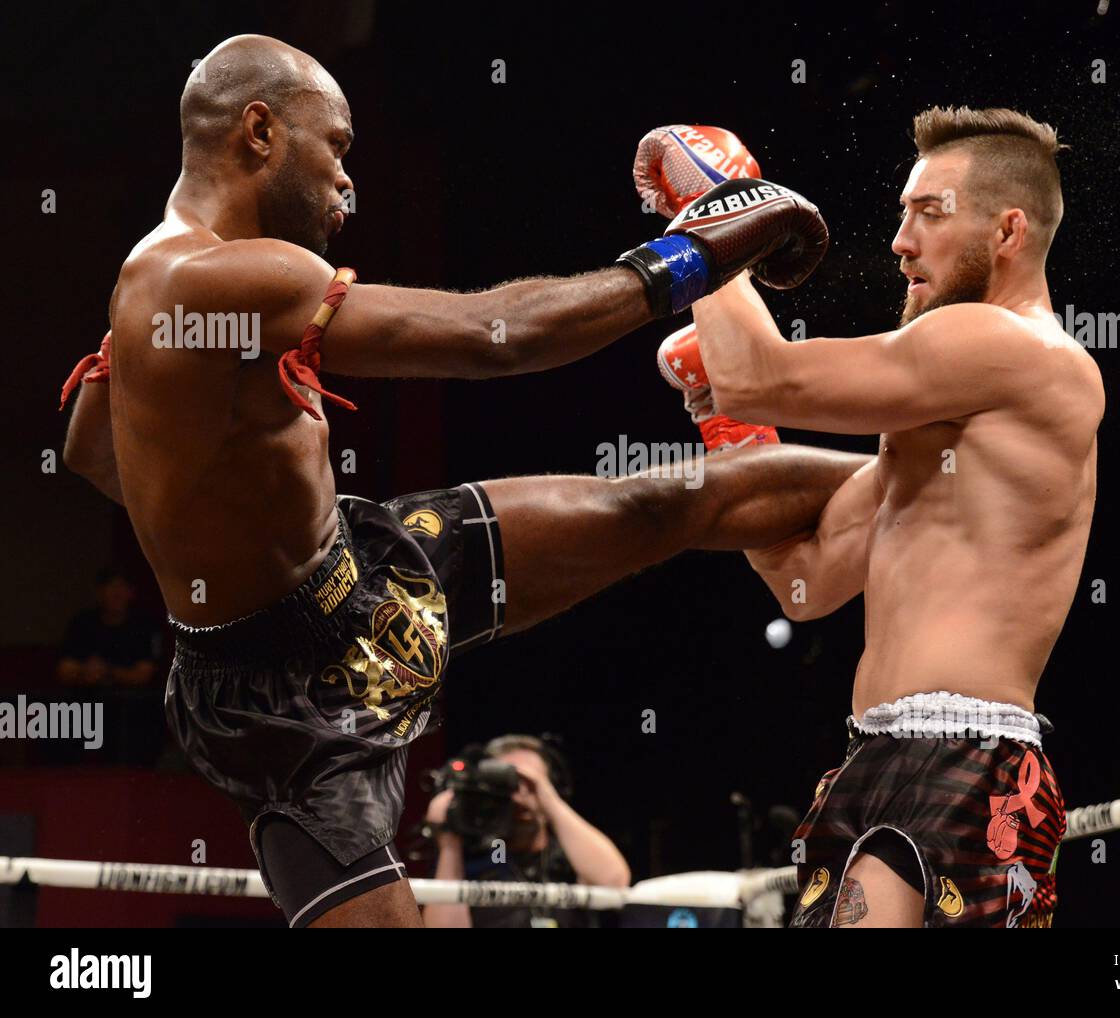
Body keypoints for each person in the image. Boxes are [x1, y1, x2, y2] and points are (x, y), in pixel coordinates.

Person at [58, 34, 860, 928]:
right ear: (259, 132)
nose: (348, 184)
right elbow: (495, 335)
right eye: (336, 147)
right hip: (278, 703)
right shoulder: (211, 278)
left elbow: (92, 450)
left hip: (361, 569)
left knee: (654, 501)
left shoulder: (156, 280)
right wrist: (697, 253)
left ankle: (918, 473)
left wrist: (212, 494)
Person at [648, 108, 1103, 928]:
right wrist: (731, 434)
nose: (900, 240)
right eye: (902, 213)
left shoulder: (1017, 350)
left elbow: (759, 372)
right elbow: (805, 581)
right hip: (875, 758)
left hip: (968, 759)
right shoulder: (931, 439)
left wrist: (717, 213)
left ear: (1008, 229)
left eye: (930, 213)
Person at [423, 735, 629, 928]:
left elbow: (615, 882)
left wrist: (547, 797)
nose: (520, 793)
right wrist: (449, 838)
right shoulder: (468, 860)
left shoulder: (574, 858)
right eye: (508, 782)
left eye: (530, 783)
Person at [56, 566, 160, 687]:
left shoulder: (144, 627)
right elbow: (64, 669)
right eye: (110, 586)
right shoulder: (82, 623)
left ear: (131, 593)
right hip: (87, 701)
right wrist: (85, 672)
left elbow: (145, 674)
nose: (117, 593)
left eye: (122, 587)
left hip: (134, 702)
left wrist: (108, 671)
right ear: (99, 592)